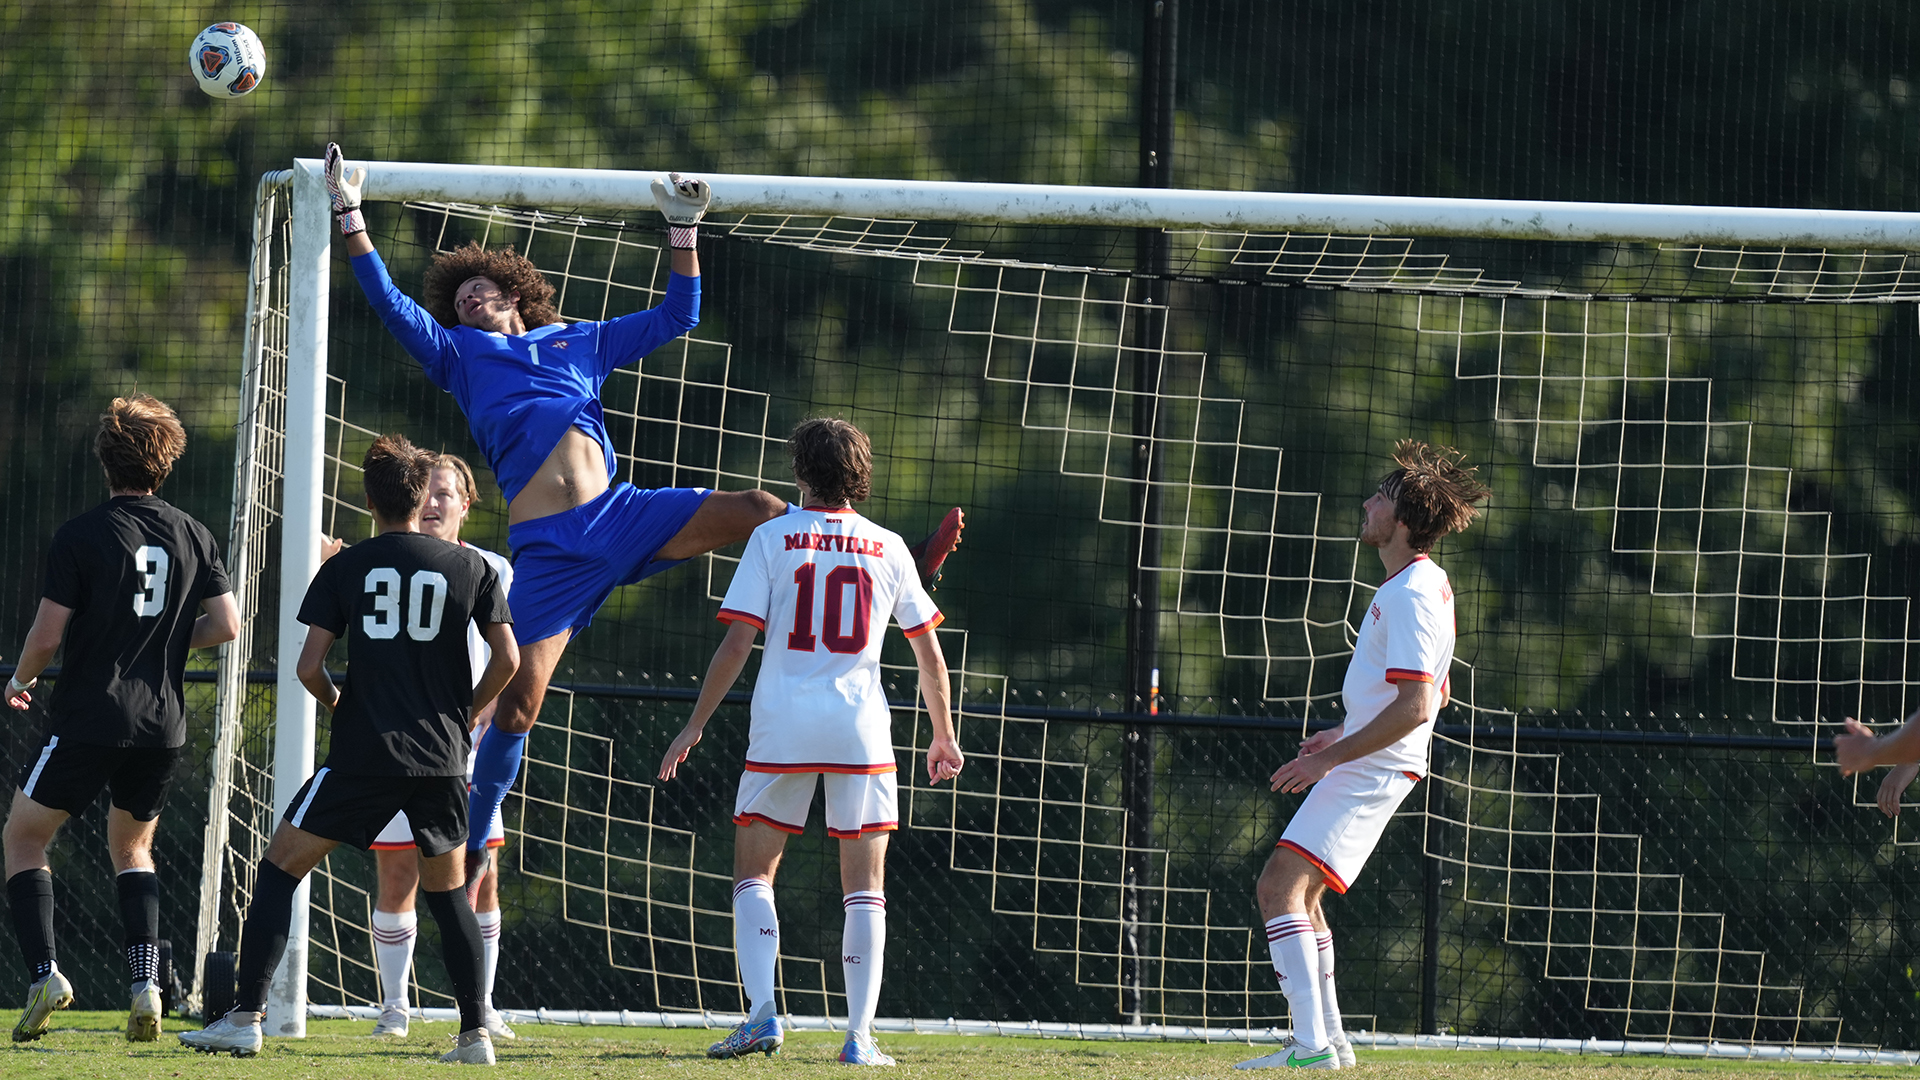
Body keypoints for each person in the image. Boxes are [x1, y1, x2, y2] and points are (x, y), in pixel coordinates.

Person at [321, 145, 965, 901]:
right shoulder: (458, 357)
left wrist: (684, 228)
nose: (467, 296)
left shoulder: (580, 341)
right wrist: (350, 214)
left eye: (482, 285)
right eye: (457, 293)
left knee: (759, 508)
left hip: (621, 519)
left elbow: (679, 315)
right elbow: (390, 304)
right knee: (517, 706)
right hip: (552, 555)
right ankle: (470, 838)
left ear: (517, 293)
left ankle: (897, 560)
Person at [179, 435, 517, 1064]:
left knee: (280, 867)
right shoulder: (471, 568)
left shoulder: (346, 567)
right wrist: (464, 711)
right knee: (447, 895)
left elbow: (309, 668)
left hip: (364, 757)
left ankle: (245, 1018)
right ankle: (474, 1035)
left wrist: (344, 706)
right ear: (422, 498)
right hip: (443, 760)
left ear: (368, 499)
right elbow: (510, 659)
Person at [657, 418, 964, 1067]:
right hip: (861, 729)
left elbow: (739, 641)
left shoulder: (772, 538)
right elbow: (930, 658)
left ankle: (764, 1014)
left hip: (783, 725)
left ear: (801, 472)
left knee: (754, 874)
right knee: (864, 886)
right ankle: (858, 1038)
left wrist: (695, 723)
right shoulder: (887, 546)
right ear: (861, 474)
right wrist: (943, 735)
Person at [1236, 441, 1489, 1071]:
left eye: (1380, 498)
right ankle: (1331, 1045)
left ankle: (1310, 1046)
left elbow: (1418, 705)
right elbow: (1432, 686)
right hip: (1369, 758)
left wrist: (1329, 759)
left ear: (1402, 521)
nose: (1368, 504)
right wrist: (1341, 733)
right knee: (1304, 896)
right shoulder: (1417, 584)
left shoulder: (1409, 594)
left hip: (1375, 767)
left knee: (1278, 888)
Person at [2, 395, 239, 1044]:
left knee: (23, 839)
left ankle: (45, 974)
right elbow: (226, 625)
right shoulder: (195, 533)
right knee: (133, 848)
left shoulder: (81, 535)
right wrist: (160, 642)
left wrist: (19, 680)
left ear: (105, 461)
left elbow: (48, 637)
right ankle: (146, 986)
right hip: (161, 724)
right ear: (168, 461)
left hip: (87, 717)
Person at [339, 456, 517, 1041]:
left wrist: (476, 719)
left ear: (468, 504)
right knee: (397, 870)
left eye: (447, 494)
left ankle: (481, 1008)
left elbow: (509, 660)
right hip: (397, 743)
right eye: (428, 492)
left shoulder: (491, 568)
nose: (434, 503)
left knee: (478, 874)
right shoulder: (386, 561)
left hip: (469, 745)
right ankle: (394, 1008)